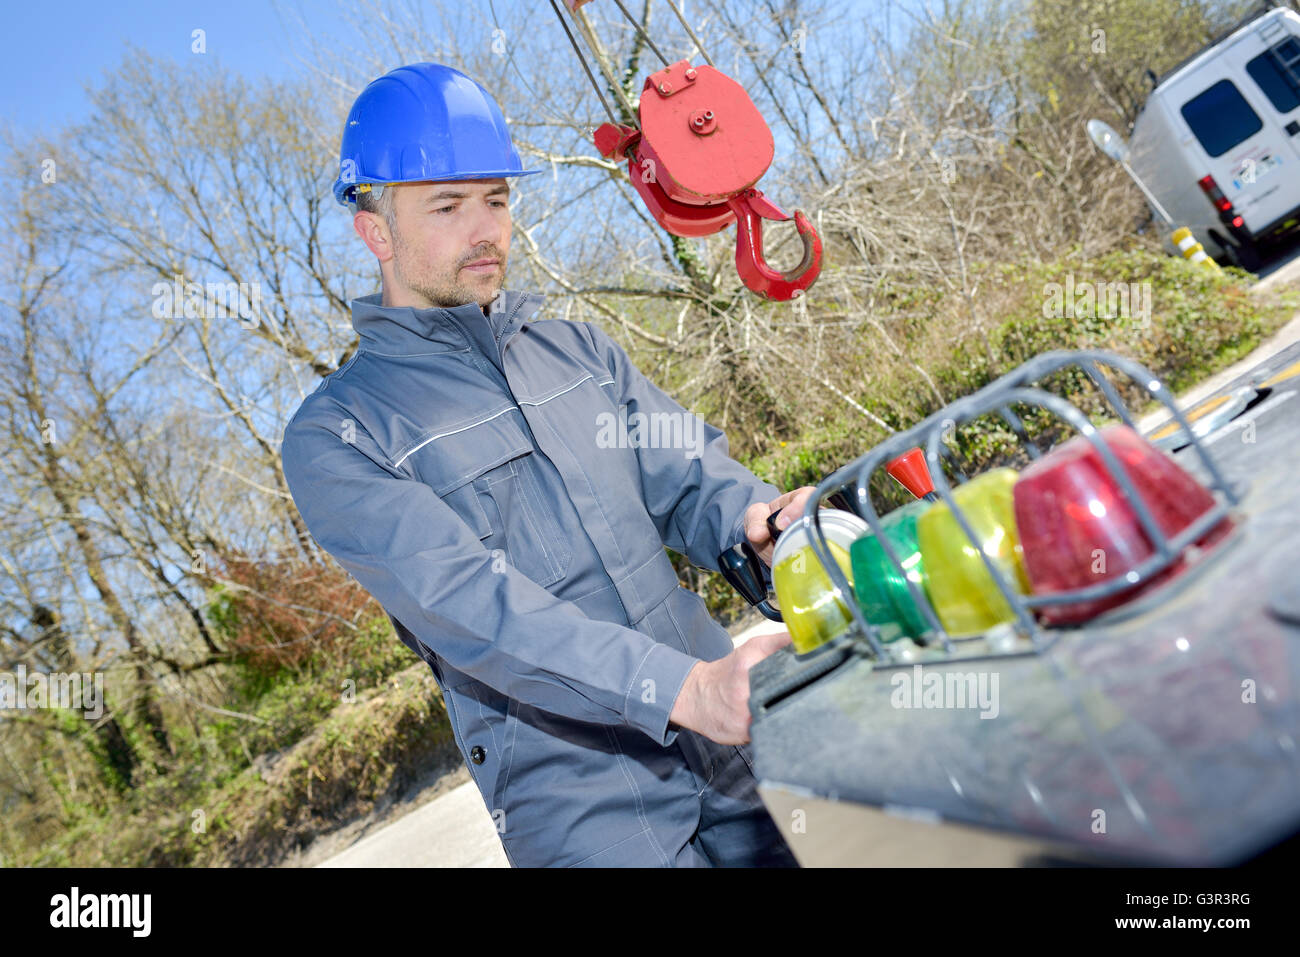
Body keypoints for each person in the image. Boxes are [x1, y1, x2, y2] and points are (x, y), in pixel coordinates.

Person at [281, 62, 815, 867]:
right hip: (582, 810)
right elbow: (479, 610)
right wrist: (678, 690)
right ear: (376, 229)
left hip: (736, 746)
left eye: (495, 198)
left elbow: (693, 478)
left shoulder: (576, 350)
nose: (484, 226)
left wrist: (759, 527)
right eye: (448, 205)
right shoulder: (341, 434)